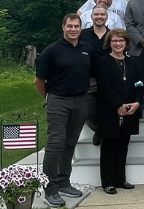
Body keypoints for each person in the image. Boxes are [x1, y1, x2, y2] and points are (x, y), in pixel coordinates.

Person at [34, 14, 94, 207]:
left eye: (76, 26)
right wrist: (50, 99)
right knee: (55, 143)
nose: (73, 29)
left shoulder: (87, 49)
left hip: (81, 100)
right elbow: (38, 81)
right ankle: (50, 189)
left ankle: (63, 182)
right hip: (59, 101)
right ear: (63, 27)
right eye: (70, 26)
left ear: (81, 28)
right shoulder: (51, 51)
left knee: (70, 143)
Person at [95, 29, 144, 195]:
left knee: (123, 146)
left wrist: (137, 102)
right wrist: (118, 105)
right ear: (109, 43)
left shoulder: (133, 63)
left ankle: (120, 179)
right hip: (109, 111)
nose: (118, 44)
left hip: (129, 111)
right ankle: (108, 182)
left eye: (121, 41)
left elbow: (139, 84)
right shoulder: (104, 62)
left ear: (126, 43)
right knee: (109, 147)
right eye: (114, 41)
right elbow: (104, 86)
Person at [78, 6, 110, 146]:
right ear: (91, 17)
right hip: (88, 78)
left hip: (108, 79)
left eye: (102, 14)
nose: (99, 17)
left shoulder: (112, 35)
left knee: (107, 109)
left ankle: (104, 133)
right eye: (96, 14)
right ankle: (100, 130)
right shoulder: (83, 34)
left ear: (106, 17)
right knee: (88, 110)